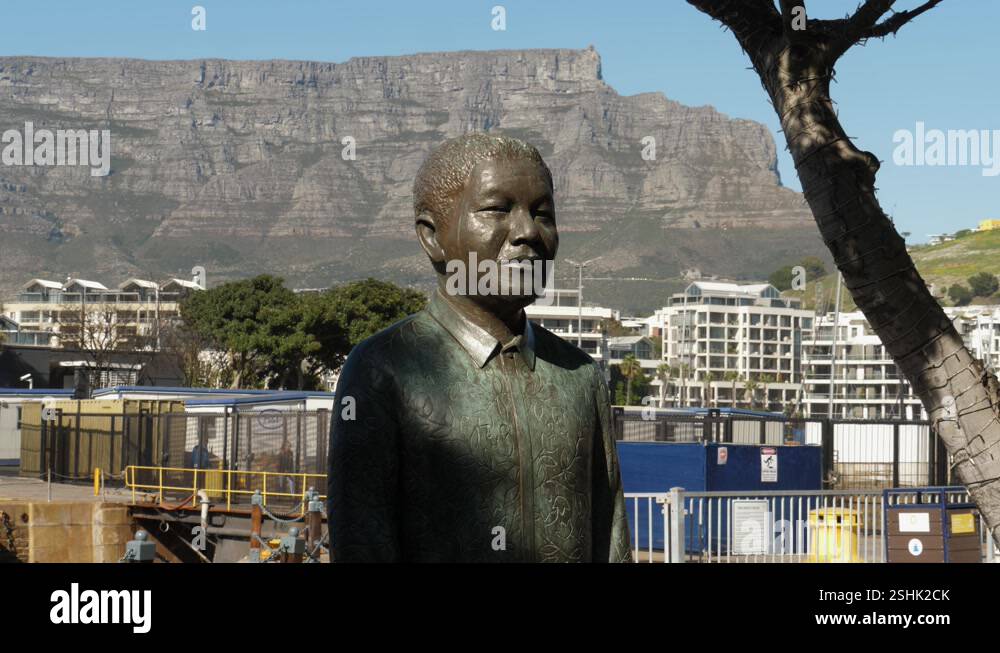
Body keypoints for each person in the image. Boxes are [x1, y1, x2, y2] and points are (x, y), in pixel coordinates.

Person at [328, 133, 631, 562]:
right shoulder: (381, 370)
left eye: (542, 213)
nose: (527, 232)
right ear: (432, 237)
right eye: (498, 209)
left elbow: (612, 538)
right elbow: (362, 544)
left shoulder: (581, 377)